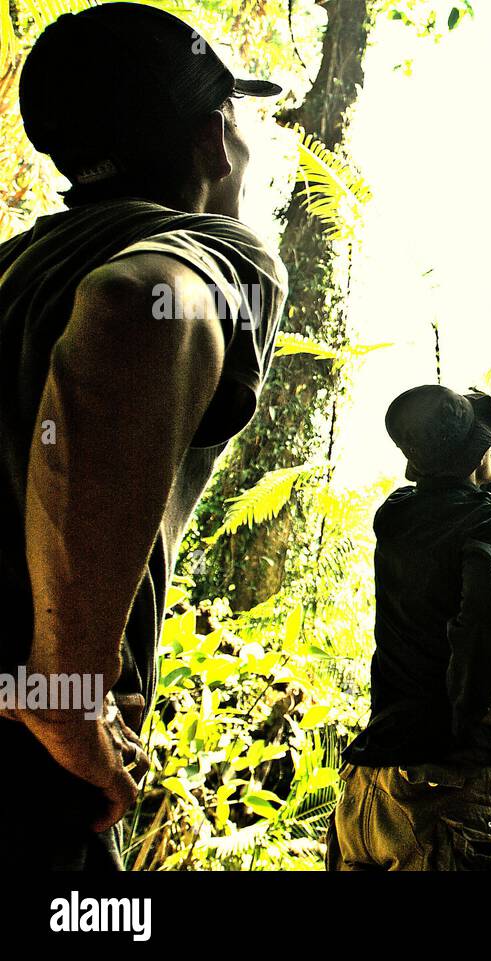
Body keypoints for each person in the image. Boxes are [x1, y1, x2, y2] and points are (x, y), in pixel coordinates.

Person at [0, 3, 287, 870]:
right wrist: (65, 683)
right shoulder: (202, 247)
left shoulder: (18, 267)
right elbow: (140, 308)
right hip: (29, 761)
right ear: (211, 137)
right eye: (242, 116)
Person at [329, 385, 491, 871]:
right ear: (474, 455)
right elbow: (486, 617)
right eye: (483, 442)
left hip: (369, 787)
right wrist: (474, 708)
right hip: (440, 792)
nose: (490, 448)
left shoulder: (398, 514)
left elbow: (453, 493)